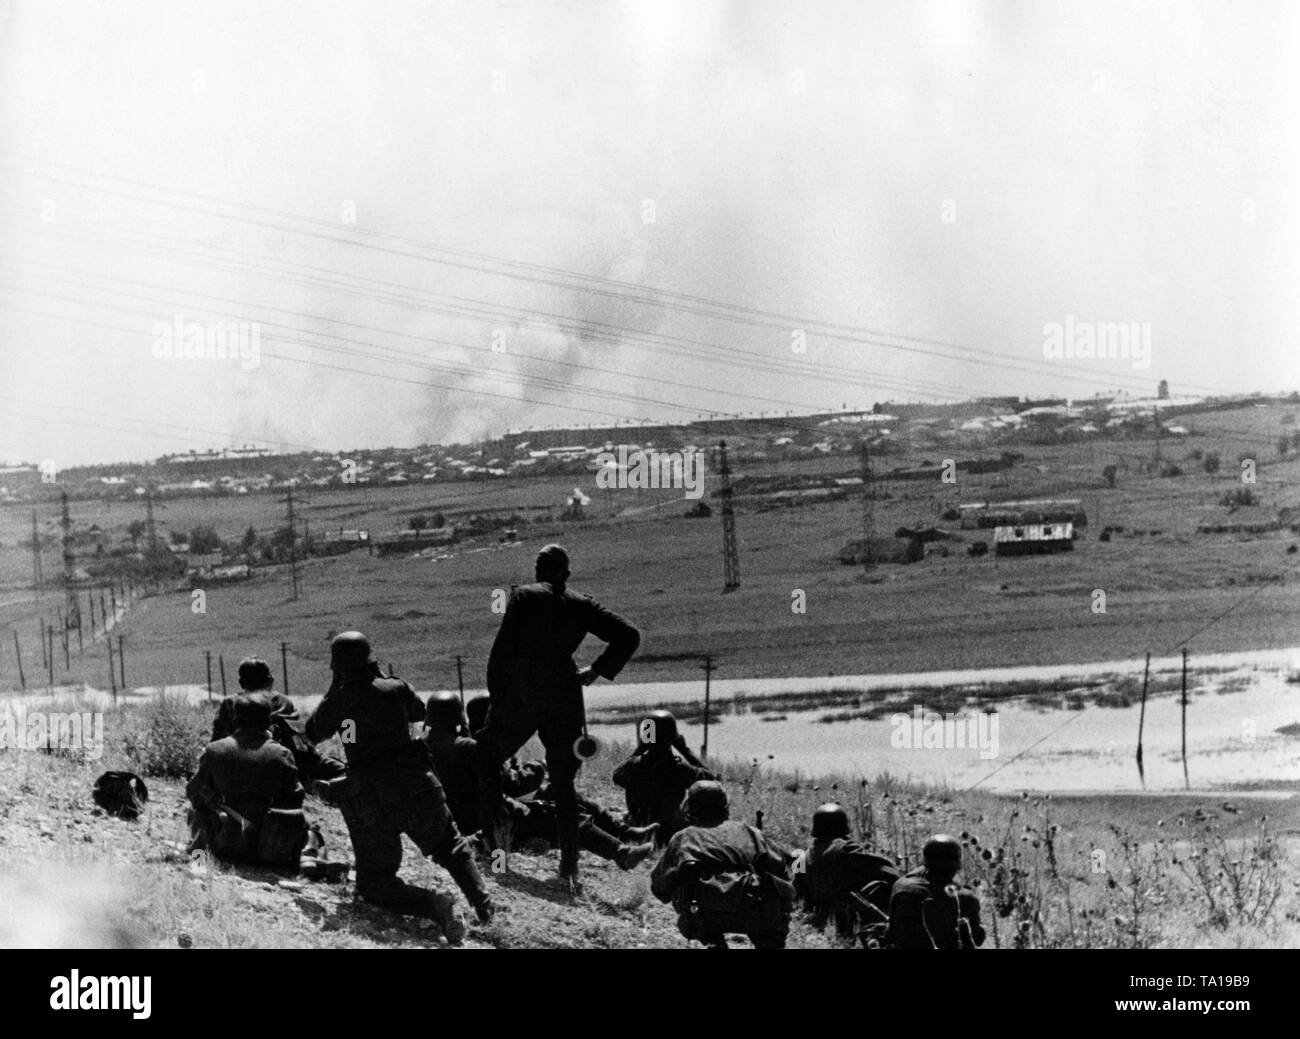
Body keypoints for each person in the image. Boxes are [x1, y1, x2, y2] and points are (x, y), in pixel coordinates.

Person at [305, 632, 494, 934]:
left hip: (369, 797)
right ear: (371, 659)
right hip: (415, 783)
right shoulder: (395, 687)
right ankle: (485, 907)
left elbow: (312, 733)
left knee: (374, 882)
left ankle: (433, 905)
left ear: (337, 666)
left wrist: (335, 688)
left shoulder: (338, 701)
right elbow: (420, 711)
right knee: (451, 847)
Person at [476, 544, 640, 889]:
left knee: (487, 759)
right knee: (564, 785)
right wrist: (596, 669)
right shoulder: (582, 604)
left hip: (523, 694)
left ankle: (496, 849)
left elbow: (502, 651)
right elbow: (629, 635)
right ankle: (568, 869)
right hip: (564, 694)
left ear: (538, 571)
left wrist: (499, 699)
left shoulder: (523, 597)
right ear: (566, 573)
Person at [425, 692, 655, 870]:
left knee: (562, 796)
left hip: (466, 818)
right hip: (493, 820)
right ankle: (622, 853)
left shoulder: (428, 748)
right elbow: (512, 784)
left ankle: (623, 835)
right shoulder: (471, 747)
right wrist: (541, 765)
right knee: (567, 817)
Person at [650, 781, 795, 949]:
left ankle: (713, 942)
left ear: (690, 809)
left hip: (704, 915)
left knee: (684, 888)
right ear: (725, 807)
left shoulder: (683, 837)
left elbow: (660, 887)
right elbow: (780, 871)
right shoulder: (751, 831)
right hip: (755, 908)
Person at [186, 693, 316, 870]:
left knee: (198, 811)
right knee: (310, 825)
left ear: (235, 720)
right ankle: (308, 857)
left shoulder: (215, 751)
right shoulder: (281, 754)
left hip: (225, 845)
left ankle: (198, 857)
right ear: (267, 721)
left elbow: (193, 792)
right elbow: (296, 798)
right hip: (271, 846)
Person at [212, 657, 347, 787]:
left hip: (297, 759)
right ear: (270, 680)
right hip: (264, 764)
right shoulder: (232, 704)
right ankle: (311, 786)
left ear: (241, 683)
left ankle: (314, 785)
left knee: (343, 770)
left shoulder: (282, 702)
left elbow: (306, 738)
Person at [794, 802, 900, 944]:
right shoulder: (845, 849)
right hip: (842, 916)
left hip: (819, 914)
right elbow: (885, 869)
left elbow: (796, 891)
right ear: (842, 826)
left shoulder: (802, 856)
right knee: (880, 887)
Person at [613, 710, 717, 845]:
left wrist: (640, 749)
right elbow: (710, 779)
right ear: (672, 738)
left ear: (645, 737)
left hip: (639, 824)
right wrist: (685, 749)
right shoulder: (679, 768)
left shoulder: (633, 765)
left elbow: (616, 776)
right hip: (668, 830)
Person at [885, 834, 986, 950]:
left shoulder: (900, 885)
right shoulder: (965, 898)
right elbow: (976, 939)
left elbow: (891, 931)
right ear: (956, 863)